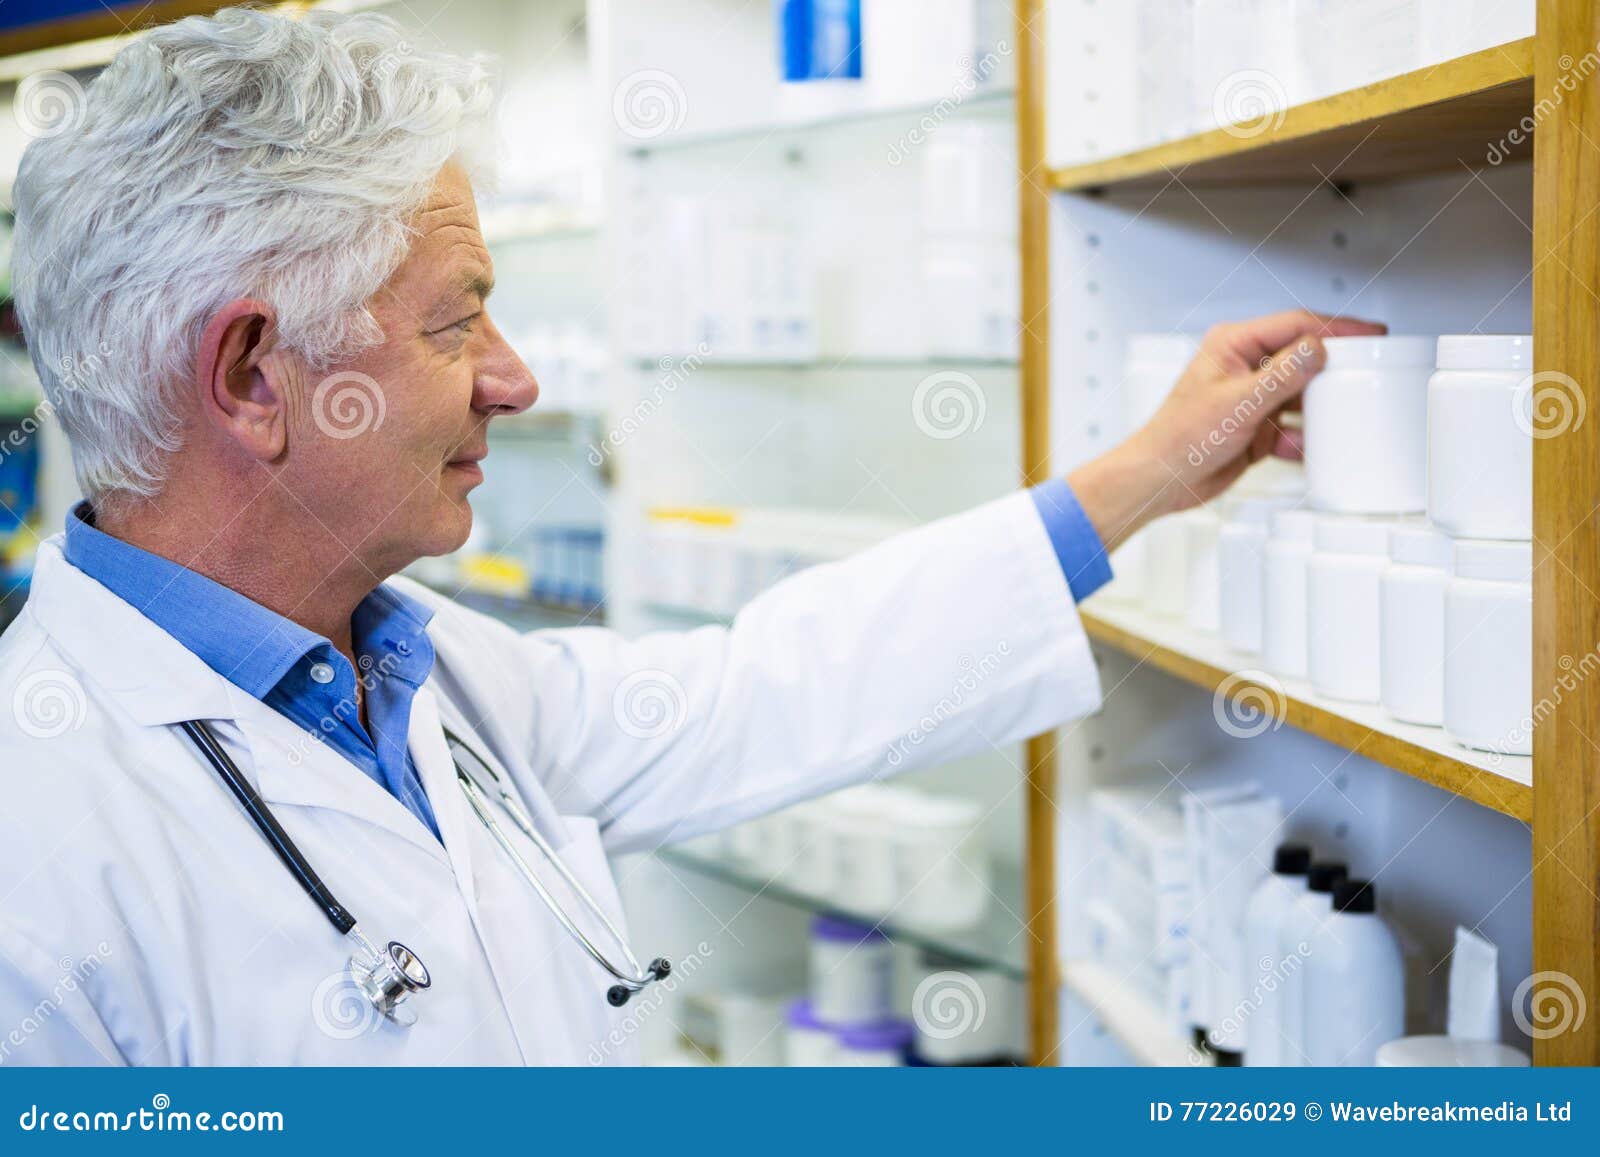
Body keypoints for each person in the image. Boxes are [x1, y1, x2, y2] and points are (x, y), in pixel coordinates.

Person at [0, 7, 1382, 1065]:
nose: (513, 379)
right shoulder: (39, 854)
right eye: (455, 321)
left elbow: (764, 688)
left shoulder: (430, 672)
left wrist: (1145, 475)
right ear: (254, 377)